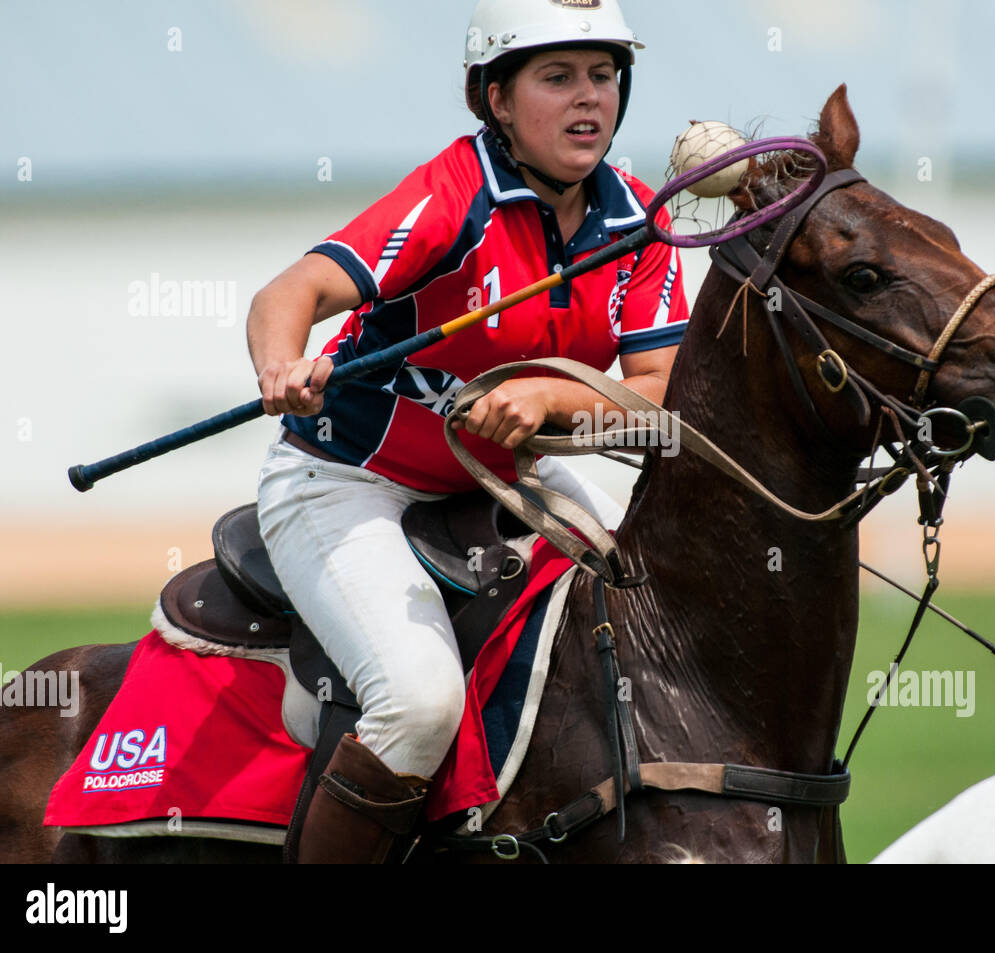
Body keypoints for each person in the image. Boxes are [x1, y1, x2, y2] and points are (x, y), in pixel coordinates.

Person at [246, 0, 688, 863]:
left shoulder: (639, 219)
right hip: (349, 483)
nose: (587, 98)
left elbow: (659, 403)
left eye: (602, 75)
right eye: (556, 78)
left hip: (501, 481)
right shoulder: (453, 196)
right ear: (495, 98)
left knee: (645, 616)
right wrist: (280, 366)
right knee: (419, 704)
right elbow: (286, 295)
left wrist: (549, 400)